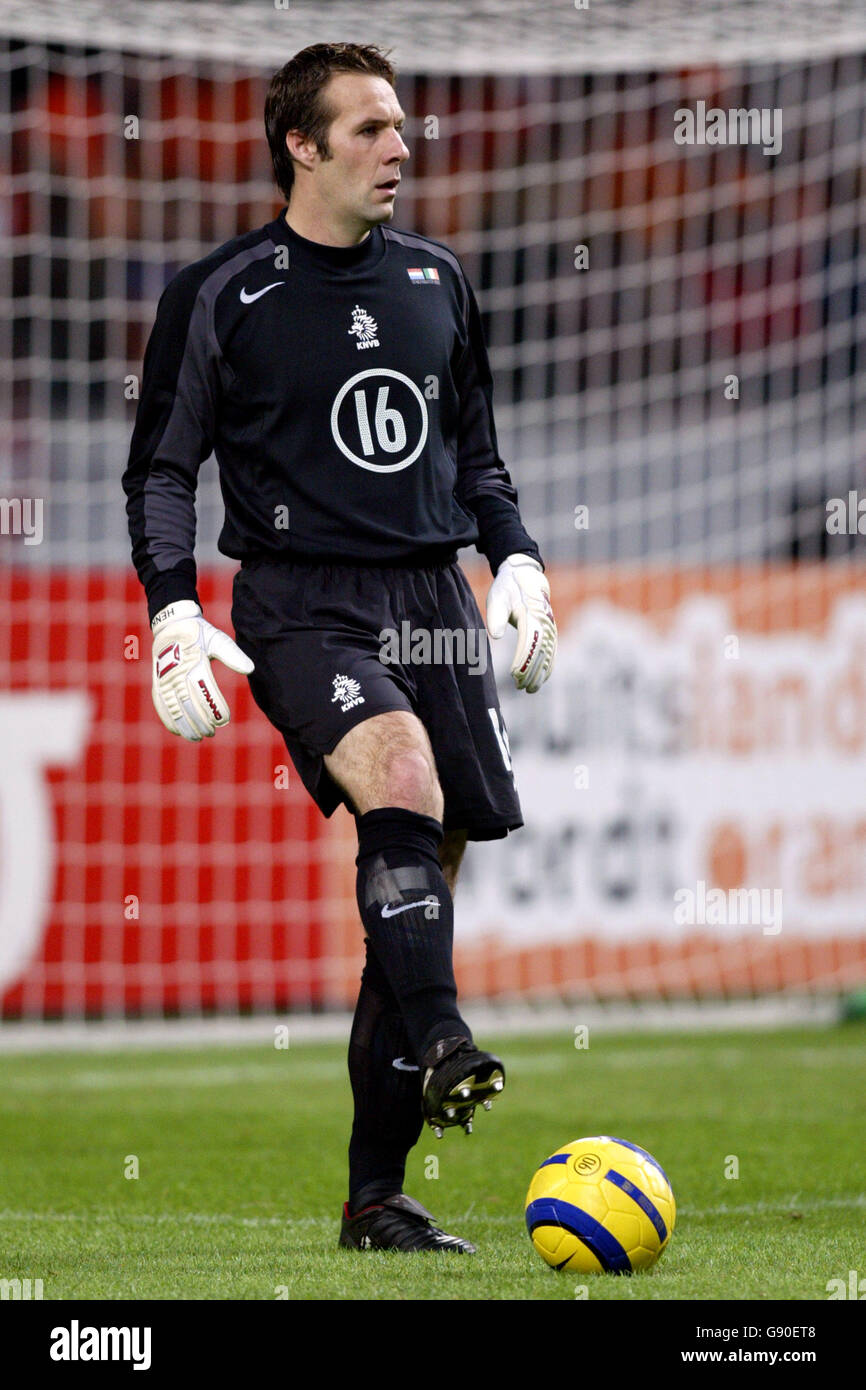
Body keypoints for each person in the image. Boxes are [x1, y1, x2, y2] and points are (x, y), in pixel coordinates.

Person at [122, 41, 557, 1254]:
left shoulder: (438, 279)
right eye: (367, 129)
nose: (398, 146)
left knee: (419, 874)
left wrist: (513, 556)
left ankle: (377, 1196)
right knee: (400, 779)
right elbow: (162, 466)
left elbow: (474, 453)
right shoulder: (219, 292)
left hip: (431, 592)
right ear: (299, 146)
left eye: (401, 126)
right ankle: (453, 1041)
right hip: (298, 599)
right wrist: (171, 607)